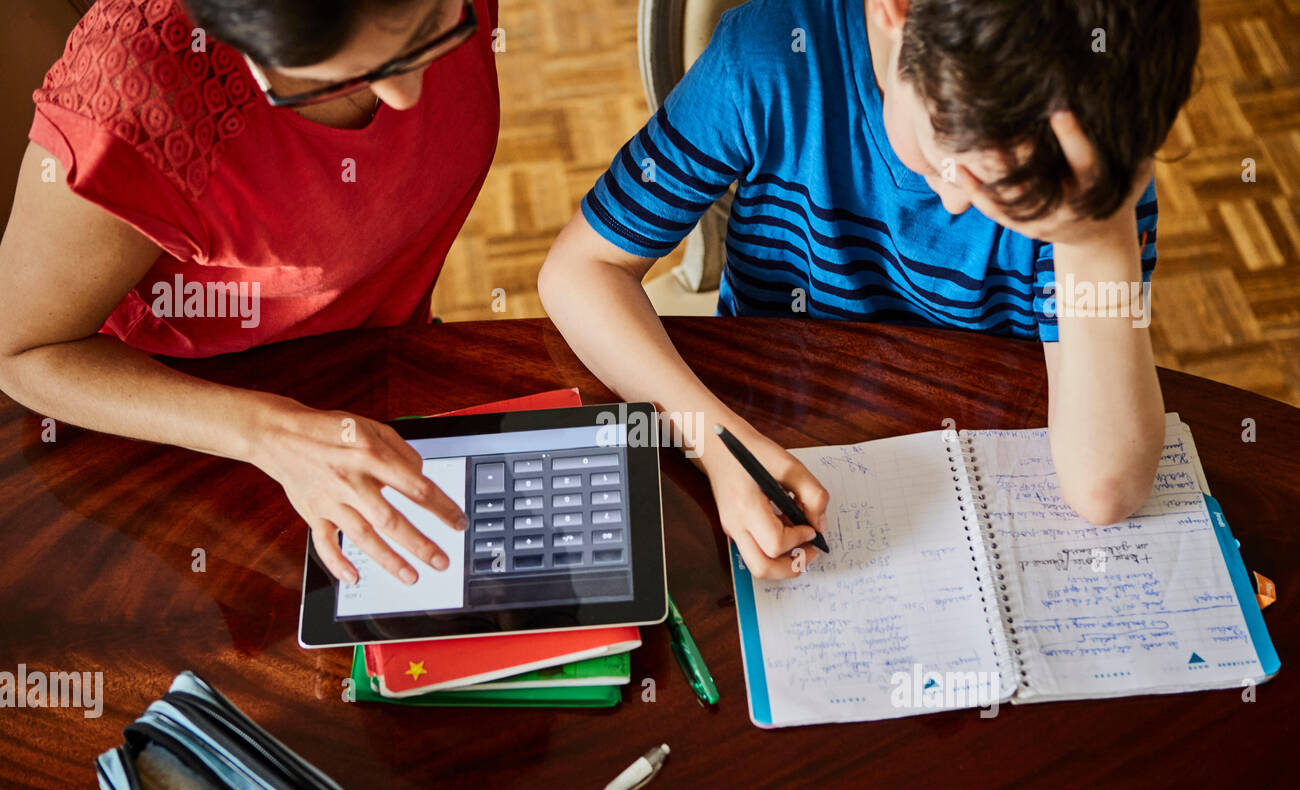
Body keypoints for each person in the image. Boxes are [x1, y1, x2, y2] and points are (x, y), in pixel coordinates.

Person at [538, 0, 1198, 579]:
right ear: (899, 9)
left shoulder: (1089, 164)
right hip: (771, 424)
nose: (951, 202)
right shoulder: (767, 59)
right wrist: (714, 442)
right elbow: (579, 272)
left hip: (987, 471)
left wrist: (1092, 236)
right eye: (955, 159)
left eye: (1011, 196)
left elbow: (1105, 488)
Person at [0, 0, 498, 588]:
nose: (404, 96)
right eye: (327, 75)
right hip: (188, 443)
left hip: (381, 373)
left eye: (431, 32)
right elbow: (20, 351)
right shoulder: (138, 102)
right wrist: (269, 432)